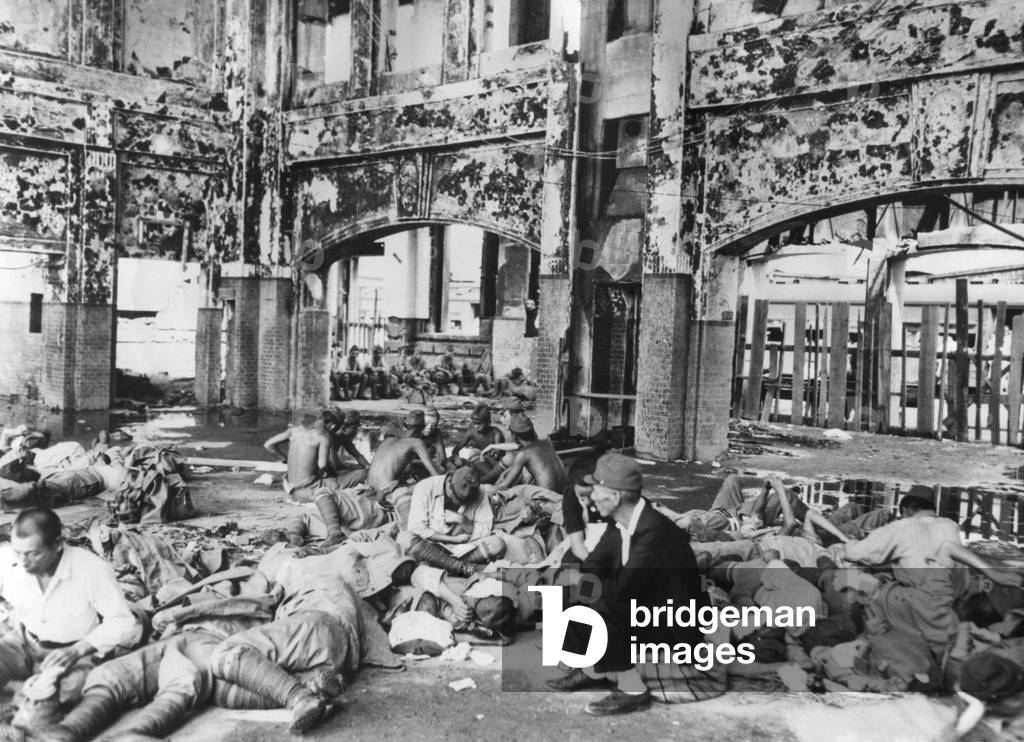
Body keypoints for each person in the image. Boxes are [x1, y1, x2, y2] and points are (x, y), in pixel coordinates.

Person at [546, 453, 723, 715]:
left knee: (599, 600)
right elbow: (594, 563)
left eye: (597, 491)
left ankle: (632, 688)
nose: (592, 498)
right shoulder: (622, 523)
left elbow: (620, 591)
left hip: (673, 629)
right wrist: (578, 582)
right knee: (567, 586)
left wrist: (586, 584)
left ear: (615, 496)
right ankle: (590, 669)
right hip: (643, 612)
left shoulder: (655, 532)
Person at [0, 508, 142, 714]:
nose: (23, 561)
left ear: (57, 545)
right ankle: (21, 689)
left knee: (65, 695)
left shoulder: (90, 569)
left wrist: (78, 650)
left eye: (33, 553)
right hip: (25, 643)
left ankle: (22, 692)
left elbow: (122, 622)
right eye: (18, 552)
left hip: (74, 653)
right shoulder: (8, 561)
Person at [840, 494, 1021, 655]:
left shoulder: (901, 527)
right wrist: (996, 574)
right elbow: (944, 550)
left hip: (925, 602)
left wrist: (852, 542)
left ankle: (868, 642)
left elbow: (853, 554)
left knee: (869, 591)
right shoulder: (951, 525)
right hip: (956, 597)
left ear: (907, 509)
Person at [406, 467, 506, 564]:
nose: (461, 503)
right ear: (449, 481)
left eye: (465, 501)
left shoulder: (480, 491)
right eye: (458, 498)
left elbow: (485, 528)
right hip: (430, 546)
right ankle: (458, 566)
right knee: (409, 543)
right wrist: (453, 539)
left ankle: (447, 564)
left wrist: (462, 520)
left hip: (461, 547)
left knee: (498, 544)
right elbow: (417, 529)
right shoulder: (425, 487)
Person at [364, 411, 442, 490]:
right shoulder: (417, 443)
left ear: (405, 425)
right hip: (385, 489)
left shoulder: (388, 440)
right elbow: (435, 474)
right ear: (423, 427)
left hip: (369, 486)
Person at [491, 414, 567, 492]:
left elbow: (505, 485)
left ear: (514, 435)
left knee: (512, 490)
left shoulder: (525, 453)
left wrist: (487, 489)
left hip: (547, 497)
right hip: (563, 493)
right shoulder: (547, 443)